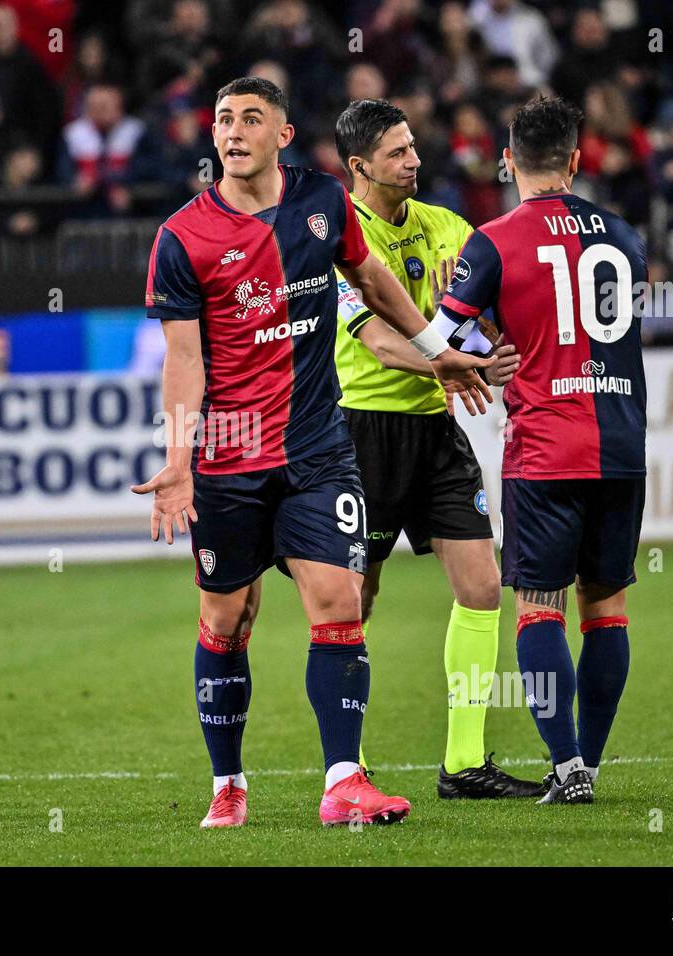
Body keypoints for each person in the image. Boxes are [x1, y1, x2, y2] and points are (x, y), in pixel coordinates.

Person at [134, 76, 494, 829]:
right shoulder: (182, 237)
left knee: (336, 602)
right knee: (228, 620)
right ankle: (228, 782)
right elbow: (184, 359)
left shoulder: (323, 203)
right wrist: (177, 457)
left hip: (318, 444)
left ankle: (342, 781)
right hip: (229, 455)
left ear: (284, 135)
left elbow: (372, 277)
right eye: (224, 120)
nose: (233, 131)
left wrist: (438, 351)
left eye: (251, 119)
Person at [436, 95, 648, 804]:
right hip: (620, 441)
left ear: (508, 159)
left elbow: (444, 340)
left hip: (545, 449)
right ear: (577, 160)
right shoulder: (623, 235)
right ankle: (589, 760)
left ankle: (564, 769)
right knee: (608, 606)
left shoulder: (491, 240)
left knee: (537, 607)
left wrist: (484, 343)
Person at [330, 98, 543, 799]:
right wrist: (450, 363)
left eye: (414, 146)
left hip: (435, 431)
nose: (415, 159)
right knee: (354, 601)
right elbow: (378, 340)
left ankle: (463, 764)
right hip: (361, 433)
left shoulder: (446, 225)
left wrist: (487, 342)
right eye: (397, 152)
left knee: (483, 586)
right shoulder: (334, 237)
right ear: (360, 166)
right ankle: (348, 767)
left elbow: (490, 296)